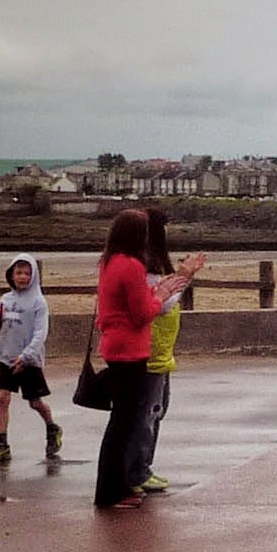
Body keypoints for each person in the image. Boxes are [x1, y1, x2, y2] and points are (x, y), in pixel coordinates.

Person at [93, 210, 190, 510]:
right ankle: (112, 490)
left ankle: (115, 486)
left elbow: (132, 301)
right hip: (131, 349)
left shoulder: (110, 262)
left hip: (115, 346)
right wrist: (159, 297)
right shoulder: (132, 265)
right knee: (125, 424)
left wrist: (156, 292)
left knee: (121, 422)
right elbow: (142, 313)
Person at [131, 208, 205, 495]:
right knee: (148, 413)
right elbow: (160, 304)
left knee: (155, 410)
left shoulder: (152, 264)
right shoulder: (148, 266)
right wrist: (183, 278)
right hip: (151, 352)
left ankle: (141, 466)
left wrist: (182, 277)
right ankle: (138, 469)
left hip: (160, 351)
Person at [0, 254, 62, 464]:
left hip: (28, 360)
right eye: (18, 273)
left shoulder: (38, 302)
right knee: (2, 397)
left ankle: (52, 427)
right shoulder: (5, 300)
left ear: (33, 275)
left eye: (27, 273)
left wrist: (27, 356)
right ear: (11, 275)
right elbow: (3, 325)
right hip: (6, 357)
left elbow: (40, 333)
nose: (23, 277)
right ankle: (2, 444)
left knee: (35, 403)